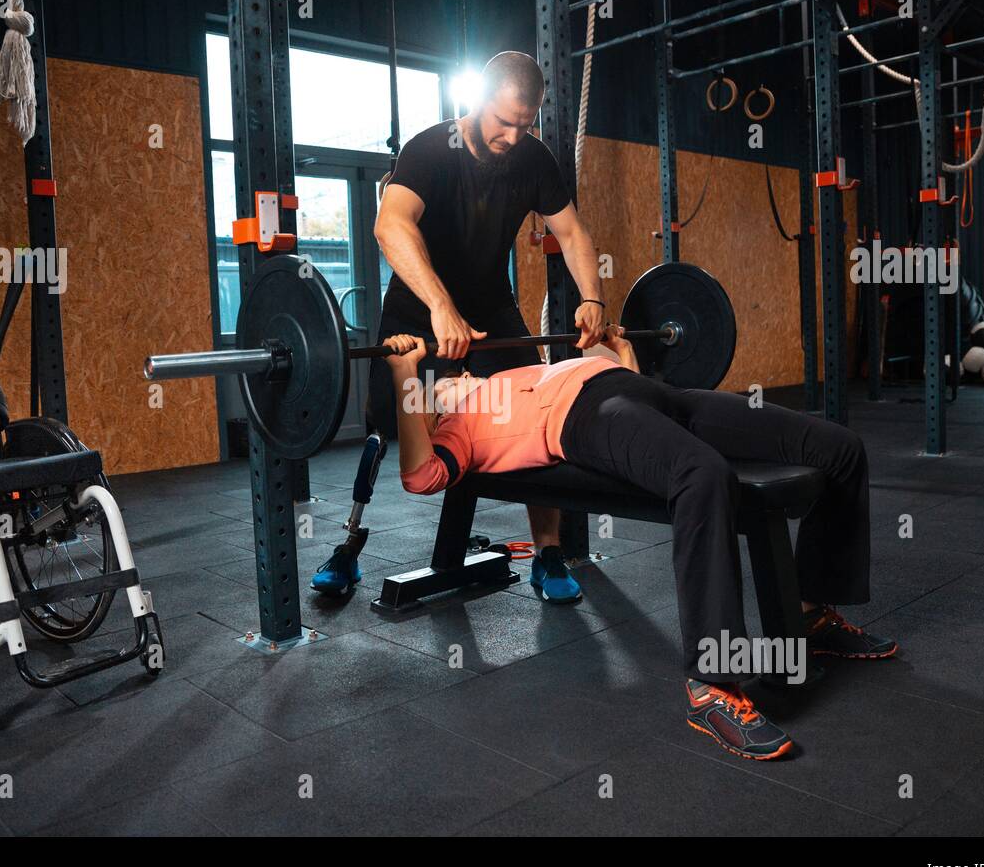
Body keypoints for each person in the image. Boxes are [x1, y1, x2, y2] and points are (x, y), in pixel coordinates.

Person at [380, 326, 898, 761]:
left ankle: (811, 612)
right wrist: (406, 374)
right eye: (442, 387)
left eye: (459, 375)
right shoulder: (459, 430)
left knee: (839, 448)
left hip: (650, 392)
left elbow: (594, 369)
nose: (459, 380)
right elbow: (421, 476)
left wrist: (617, 353)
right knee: (702, 474)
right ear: (428, 412)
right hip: (586, 418)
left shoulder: (508, 378)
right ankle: (712, 684)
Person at [312, 51, 607, 604]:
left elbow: (570, 233)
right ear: (476, 102)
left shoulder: (534, 160)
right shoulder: (430, 149)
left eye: (526, 124)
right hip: (417, 307)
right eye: (503, 121)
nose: (513, 136)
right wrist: (440, 306)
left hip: (492, 308)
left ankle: (546, 551)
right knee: (388, 426)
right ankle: (349, 545)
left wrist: (593, 296)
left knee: (537, 413)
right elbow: (388, 224)